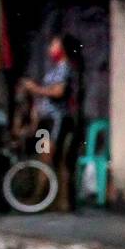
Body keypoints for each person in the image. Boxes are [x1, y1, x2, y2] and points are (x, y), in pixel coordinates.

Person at [16, 33, 83, 209]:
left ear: (63, 48)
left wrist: (34, 88)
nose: (50, 49)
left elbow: (58, 92)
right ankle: (56, 201)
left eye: (54, 45)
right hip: (46, 121)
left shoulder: (65, 68)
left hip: (57, 121)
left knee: (48, 158)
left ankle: (40, 198)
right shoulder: (55, 68)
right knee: (48, 157)